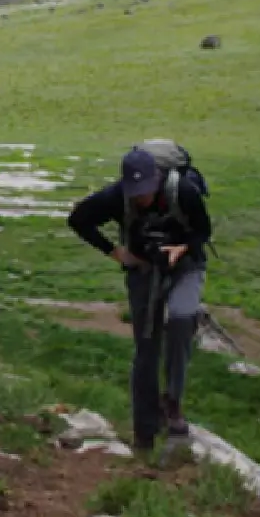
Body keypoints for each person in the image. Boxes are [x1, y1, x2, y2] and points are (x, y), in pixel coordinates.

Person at [66, 145, 213, 452]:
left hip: (186, 266)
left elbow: (203, 229)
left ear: (157, 178)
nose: (141, 198)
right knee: (146, 347)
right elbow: (78, 219)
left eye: (145, 190)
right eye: (135, 192)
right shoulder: (116, 197)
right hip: (144, 270)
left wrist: (181, 248)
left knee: (182, 318)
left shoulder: (182, 191)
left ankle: (172, 402)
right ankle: (144, 433)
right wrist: (117, 253)